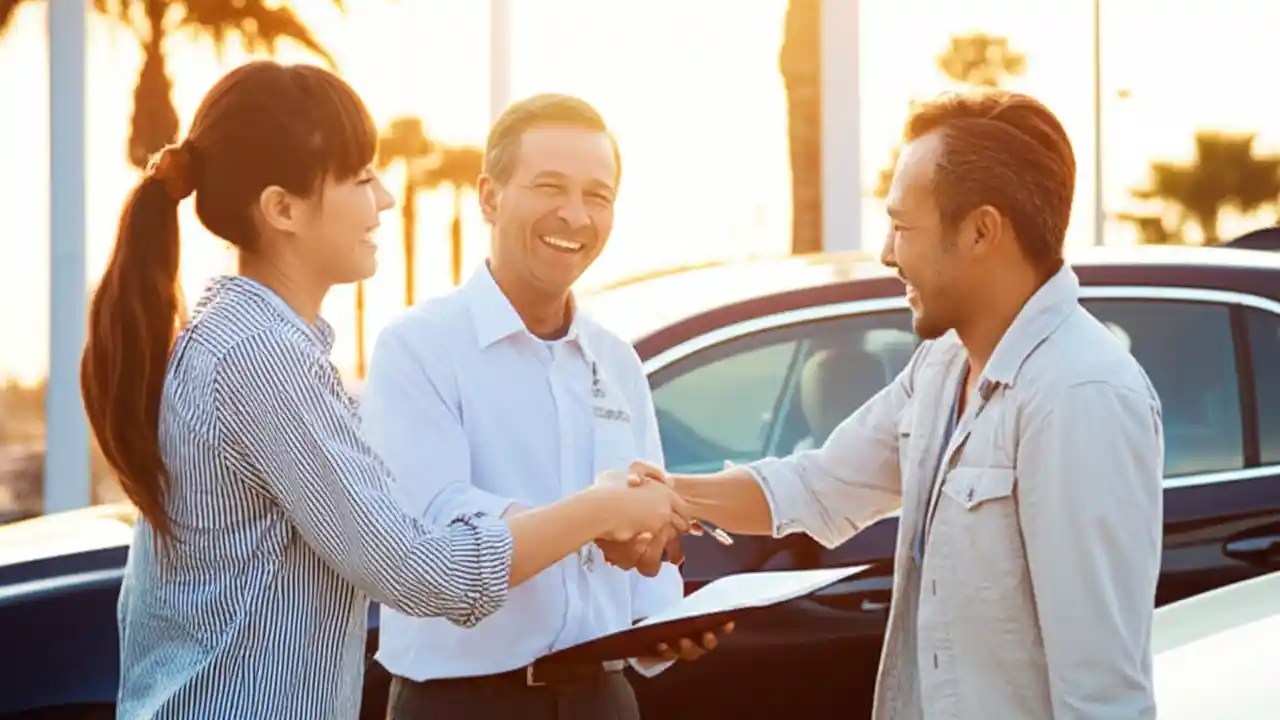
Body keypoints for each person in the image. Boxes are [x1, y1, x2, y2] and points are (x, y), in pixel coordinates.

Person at [79, 62, 690, 720]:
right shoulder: (260, 360)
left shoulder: (249, 347)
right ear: (282, 209)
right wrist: (598, 512)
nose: (386, 200)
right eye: (360, 178)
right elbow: (424, 571)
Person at [642, 91, 1165, 719]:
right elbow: (820, 487)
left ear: (981, 230)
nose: (888, 253)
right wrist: (656, 496)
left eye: (901, 226)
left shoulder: (1081, 397)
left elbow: (1101, 695)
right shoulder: (943, 367)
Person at [360, 93, 727, 720]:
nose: (576, 215)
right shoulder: (416, 349)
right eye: (550, 186)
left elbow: (646, 552)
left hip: (602, 699)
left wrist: (668, 623)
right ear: (489, 196)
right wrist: (599, 514)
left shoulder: (617, 362)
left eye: (599, 195)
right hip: (461, 703)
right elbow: (436, 534)